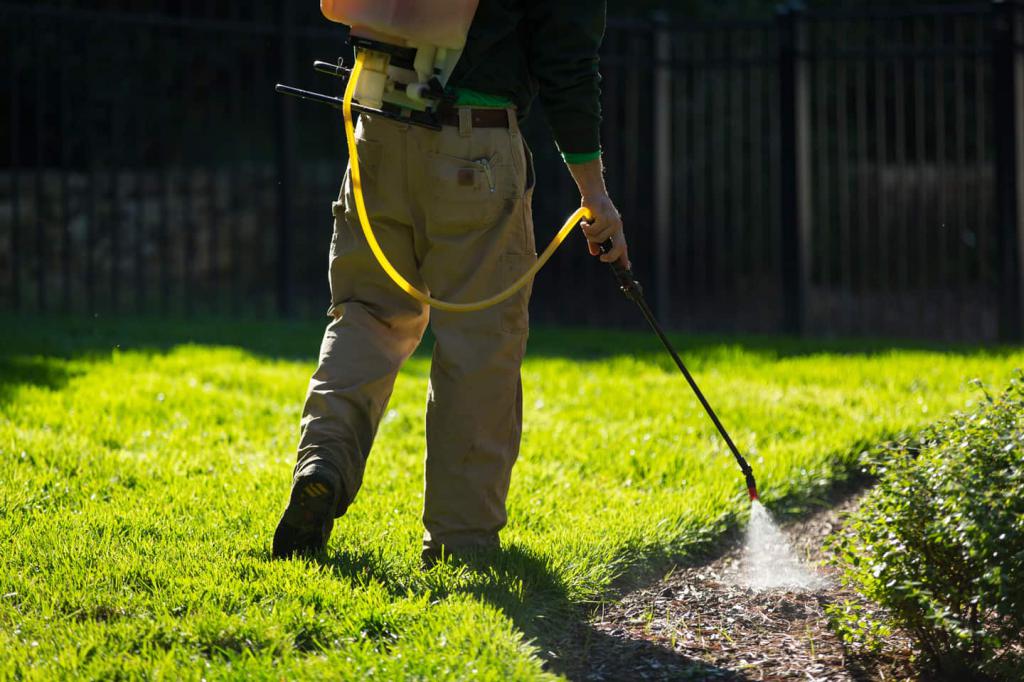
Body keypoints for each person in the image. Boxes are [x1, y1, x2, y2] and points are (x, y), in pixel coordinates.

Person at [272, 0, 628, 565]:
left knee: (367, 314)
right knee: (478, 343)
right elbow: (569, 66)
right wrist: (595, 195)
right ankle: (461, 544)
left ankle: (324, 463)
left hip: (378, 127)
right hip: (475, 147)